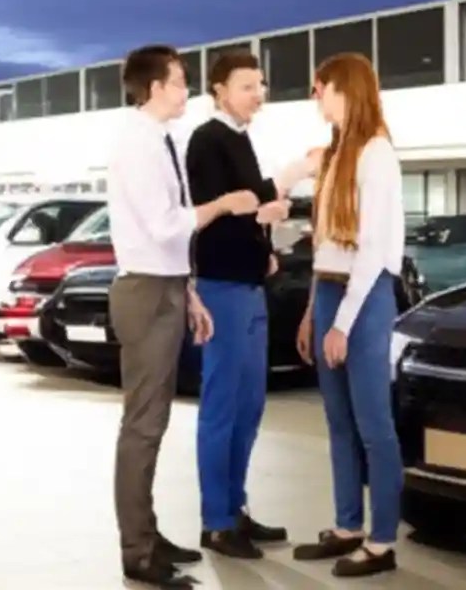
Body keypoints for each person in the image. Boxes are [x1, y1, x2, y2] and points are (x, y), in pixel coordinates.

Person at [107, 44, 262, 588]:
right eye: (179, 82)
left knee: (153, 422)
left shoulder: (159, 140)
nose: (185, 91)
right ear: (154, 88)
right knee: (143, 427)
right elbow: (164, 226)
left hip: (166, 287)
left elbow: (168, 240)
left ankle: (149, 534)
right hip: (146, 293)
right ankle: (138, 550)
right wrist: (224, 205)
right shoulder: (138, 144)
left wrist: (189, 292)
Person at [184, 50, 317, 559]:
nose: (257, 94)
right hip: (222, 287)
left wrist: (265, 234)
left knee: (249, 405)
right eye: (246, 86)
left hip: (249, 284)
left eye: (261, 84)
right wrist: (286, 179)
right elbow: (219, 207)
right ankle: (216, 520)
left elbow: (246, 211)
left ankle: (234, 508)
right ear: (219, 89)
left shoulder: (239, 139)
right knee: (222, 405)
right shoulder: (208, 139)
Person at [291, 52, 405, 578]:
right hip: (332, 291)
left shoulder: (375, 153)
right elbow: (325, 246)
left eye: (323, 85)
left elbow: (374, 248)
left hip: (366, 294)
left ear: (347, 89)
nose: (316, 94)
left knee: (373, 424)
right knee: (338, 422)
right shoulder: (337, 152)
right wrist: (315, 312)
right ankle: (346, 527)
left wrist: (342, 323)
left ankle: (382, 542)